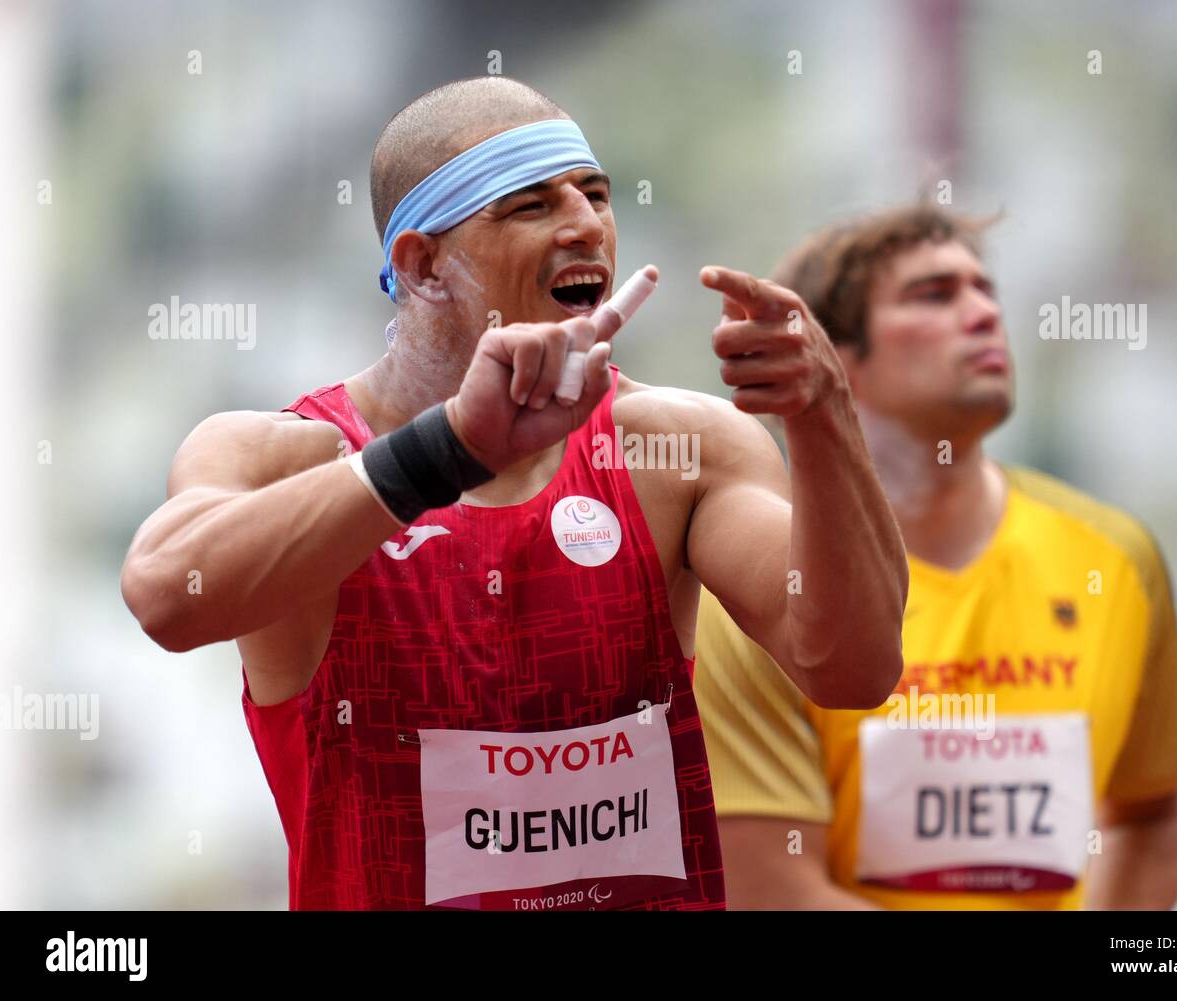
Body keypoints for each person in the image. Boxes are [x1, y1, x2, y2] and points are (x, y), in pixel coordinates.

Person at [119, 77, 907, 910]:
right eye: (528, 205)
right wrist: (447, 450)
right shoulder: (280, 454)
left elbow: (851, 665)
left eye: (596, 194)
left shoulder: (675, 449)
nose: (584, 225)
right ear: (422, 265)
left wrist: (825, 414)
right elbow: (169, 596)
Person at [694, 202, 1177, 910]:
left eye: (985, 290)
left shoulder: (1116, 557)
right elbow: (770, 889)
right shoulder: (760, 593)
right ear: (832, 358)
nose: (982, 313)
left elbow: (1150, 817)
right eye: (933, 295)